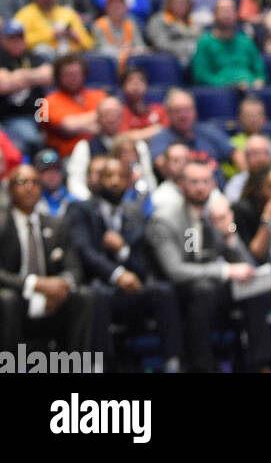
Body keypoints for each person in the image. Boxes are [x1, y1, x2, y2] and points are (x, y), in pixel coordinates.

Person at [146, 159, 271, 373]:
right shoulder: (165, 219)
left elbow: (247, 265)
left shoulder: (214, 214)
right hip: (175, 291)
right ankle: (202, 366)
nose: (200, 187)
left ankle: (261, 364)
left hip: (212, 286)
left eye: (206, 181)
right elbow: (176, 271)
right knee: (204, 290)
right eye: (194, 182)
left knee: (253, 289)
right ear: (181, 185)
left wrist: (229, 235)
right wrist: (226, 271)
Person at [65, 156, 182, 372]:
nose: (115, 182)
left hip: (131, 285)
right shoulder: (80, 209)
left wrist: (122, 251)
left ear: (129, 181)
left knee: (164, 291)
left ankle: (172, 363)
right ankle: (101, 367)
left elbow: (142, 260)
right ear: (98, 180)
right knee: (95, 297)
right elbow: (84, 252)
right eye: (108, 176)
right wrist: (117, 274)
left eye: (120, 177)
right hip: (97, 283)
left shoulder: (134, 212)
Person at [0, 161, 95, 355]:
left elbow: (74, 269)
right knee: (6, 300)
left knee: (85, 296)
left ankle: (77, 365)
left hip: (53, 296)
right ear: (9, 189)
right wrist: (35, 284)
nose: (29, 188)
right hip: (18, 296)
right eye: (22, 181)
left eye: (35, 182)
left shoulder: (57, 224)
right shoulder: (2, 225)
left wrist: (61, 286)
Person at [189, 0, 266, 88]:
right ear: (214, 14)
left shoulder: (246, 41)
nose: (226, 13)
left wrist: (258, 81)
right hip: (220, 94)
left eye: (230, 10)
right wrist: (229, 85)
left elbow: (260, 73)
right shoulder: (204, 42)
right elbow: (201, 76)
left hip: (250, 90)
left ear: (236, 14)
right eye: (222, 10)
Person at [39, 54, 106, 159]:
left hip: (102, 151)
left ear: (84, 74)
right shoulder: (48, 102)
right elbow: (68, 127)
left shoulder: (99, 95)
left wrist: (78, 124)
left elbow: (113, 120)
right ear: (58, 77)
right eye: (68, 75)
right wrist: (101, 117)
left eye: (76, 74)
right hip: (68, 155)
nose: (73, 79)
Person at [0, 18, 51, 155]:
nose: (16, 42)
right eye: (12, 38)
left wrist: (16, 77)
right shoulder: (2, 58)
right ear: (3, 39)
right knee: (31, 138)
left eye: (19, 38)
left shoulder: (32, 56)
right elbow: (3, 85)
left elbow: (49, 75)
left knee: (55, 131)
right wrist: (34, 77)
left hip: (40, 112)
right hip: (12, 116)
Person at [15, 0, 93, 60]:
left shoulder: (68, 13)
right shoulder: (25, 14)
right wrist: (51, 35)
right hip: (44, 61)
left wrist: (74, 36)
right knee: (42, 49)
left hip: (72, 58)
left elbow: (89, 44)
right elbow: (19, 43)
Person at [145, 0, 200, 68]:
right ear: (169, 2)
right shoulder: (158, 20)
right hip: (169, 61)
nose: (180, 4)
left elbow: (200, 41)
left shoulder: (193, 21)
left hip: (193, 59)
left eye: (183, 1)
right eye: (176, 1)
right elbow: (161, 44)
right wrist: (186, 48)